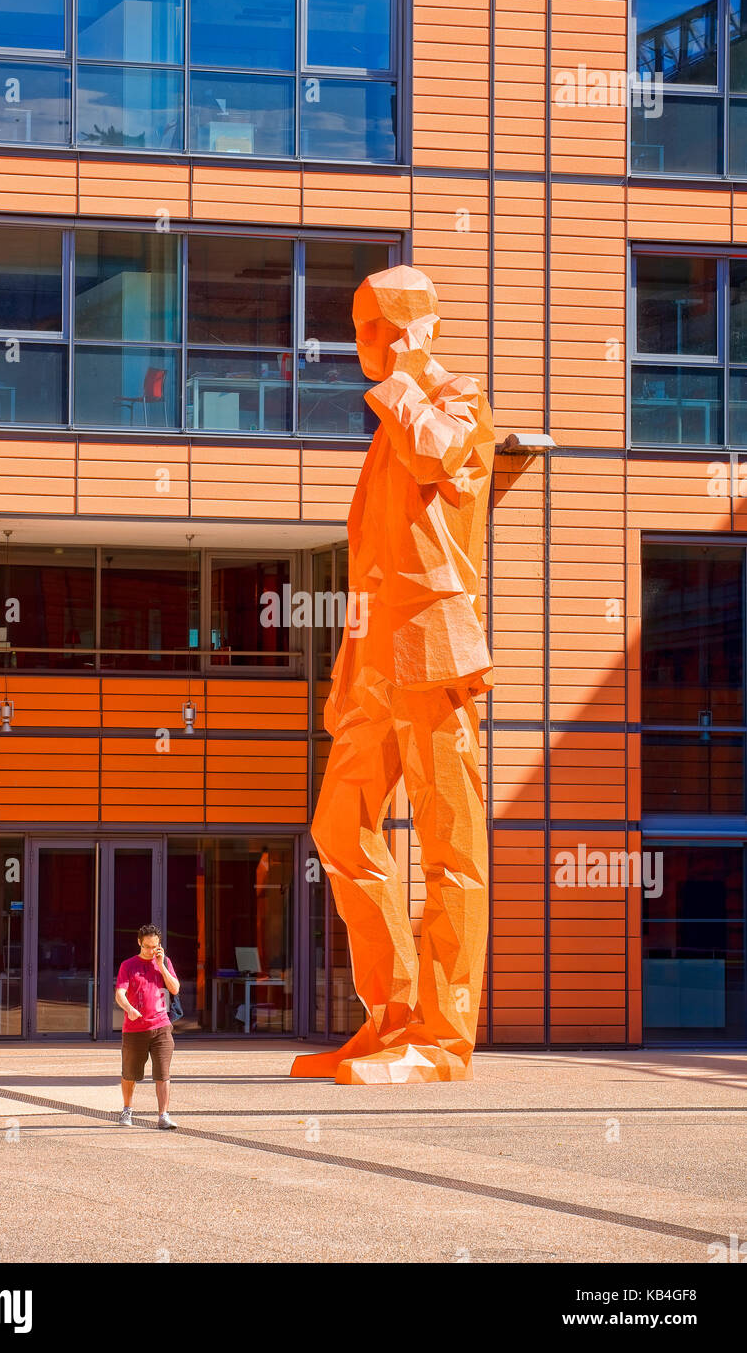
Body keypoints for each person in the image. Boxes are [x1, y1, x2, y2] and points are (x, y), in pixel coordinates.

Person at [291, 265, 495, 1085]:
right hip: (374, 654)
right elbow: (372, 561)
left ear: (417, 326)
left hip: (433, 644)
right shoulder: (393, 419)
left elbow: (436, 454)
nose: (363, 343)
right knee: (339, 830)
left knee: (450, 843)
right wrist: (349, 667)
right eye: (358, 327)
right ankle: (392, 1017)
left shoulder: (457, 400)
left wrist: (407, 373)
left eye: (377, 325)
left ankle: (443, 1039)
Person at [115, 924, 180, 1129]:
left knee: (163, 1074)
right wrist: (129, 1009)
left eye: (155, 947)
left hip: (161, 1027)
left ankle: (163, 1115)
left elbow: (175, 989)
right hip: (135, 1029)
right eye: (147, 947)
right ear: (139, 943)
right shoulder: (128, 965)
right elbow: (120, 993)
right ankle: (127, 1109)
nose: (151, 951)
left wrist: (161, 965)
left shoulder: (164, 962)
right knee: (130, 1074)